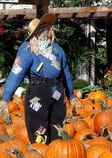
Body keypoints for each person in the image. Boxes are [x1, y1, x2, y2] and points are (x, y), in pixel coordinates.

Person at [1, 13, 74, 144]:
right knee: (38, 128)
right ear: (34, 33)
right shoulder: (28, 49)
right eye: (40, 28)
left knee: (57, 127)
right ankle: (41, 154)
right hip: (38, 92)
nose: (44, 30)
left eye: (45, 27)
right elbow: (16, 72)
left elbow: (66, 74)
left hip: (57, 91)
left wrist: (71, 95)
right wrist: (6, 98)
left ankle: (55, 154)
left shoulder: (57, 50)